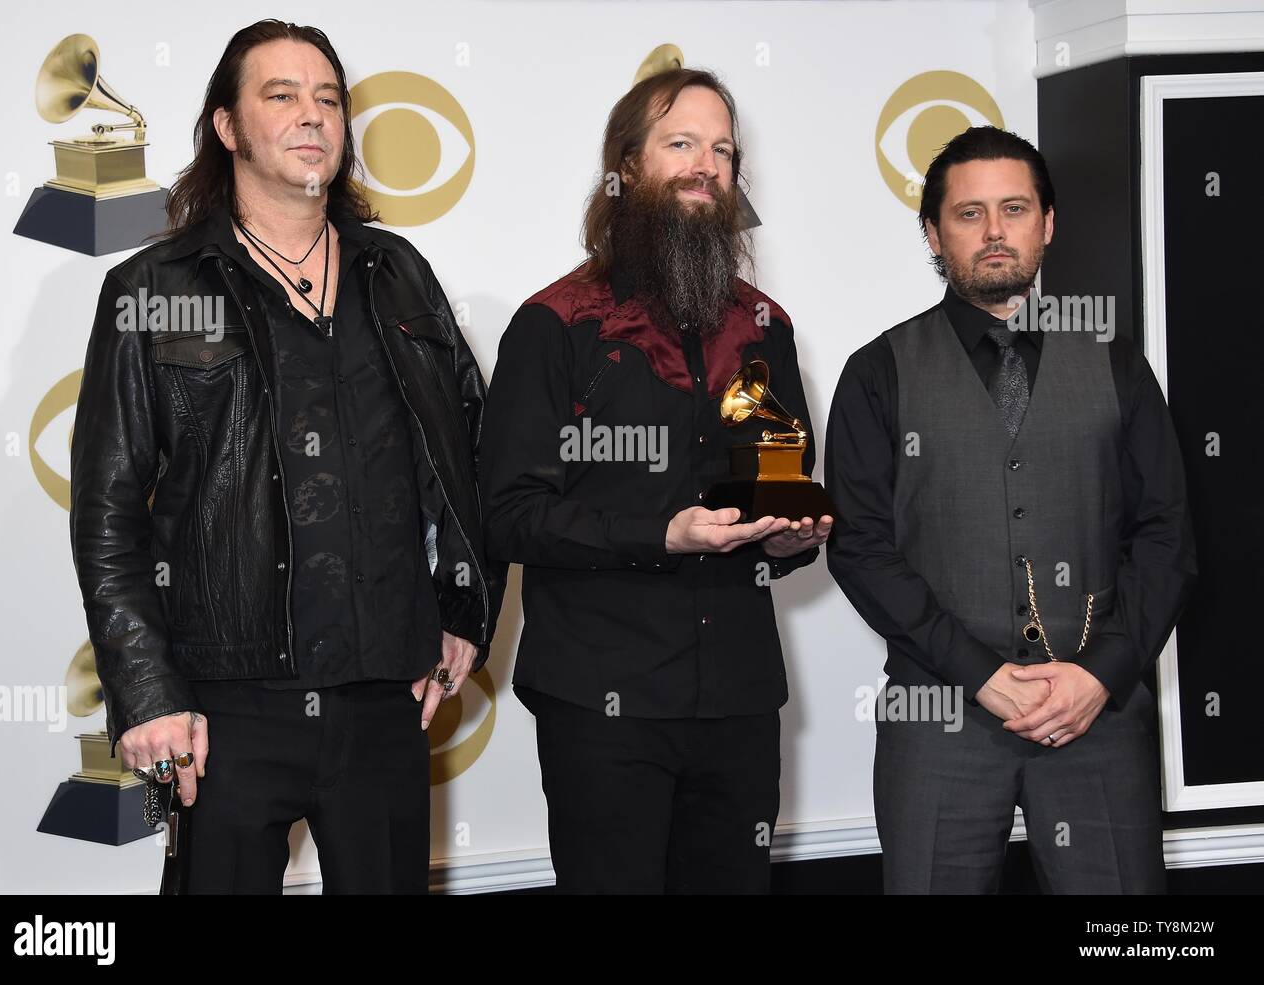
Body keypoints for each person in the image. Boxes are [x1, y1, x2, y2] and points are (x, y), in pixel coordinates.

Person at [69, 19, 501, 893]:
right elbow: (107, 512)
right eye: (282, 96)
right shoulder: (154, 290)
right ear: (227, 128)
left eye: (328, 99)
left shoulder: (399, 273)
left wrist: (462, 605)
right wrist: (146, 691)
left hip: (385, 693)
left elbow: (471, 455)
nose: (313, 116)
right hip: (225, 704)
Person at [481, 68, 832, 893]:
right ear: (627, 168)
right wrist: (661, 533)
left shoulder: (764, 325)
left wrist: (792, 530)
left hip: (741, 700)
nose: (704, 166)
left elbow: (782, 480)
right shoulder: (556, 323)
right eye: (680, 144)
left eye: (721, 150)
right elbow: (508, 515)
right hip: (604, 704)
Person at [825, 125, 1196, 893]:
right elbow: (861, 549)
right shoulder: (877, 373)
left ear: (1048, 223)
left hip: (1098, 714)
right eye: (969, 214)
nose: (995, 232)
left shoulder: (1118, 363)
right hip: (938, 718)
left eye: (1015, 208)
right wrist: (981, 673)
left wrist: (1101, 674)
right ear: (932, 231)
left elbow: (1166, 539)